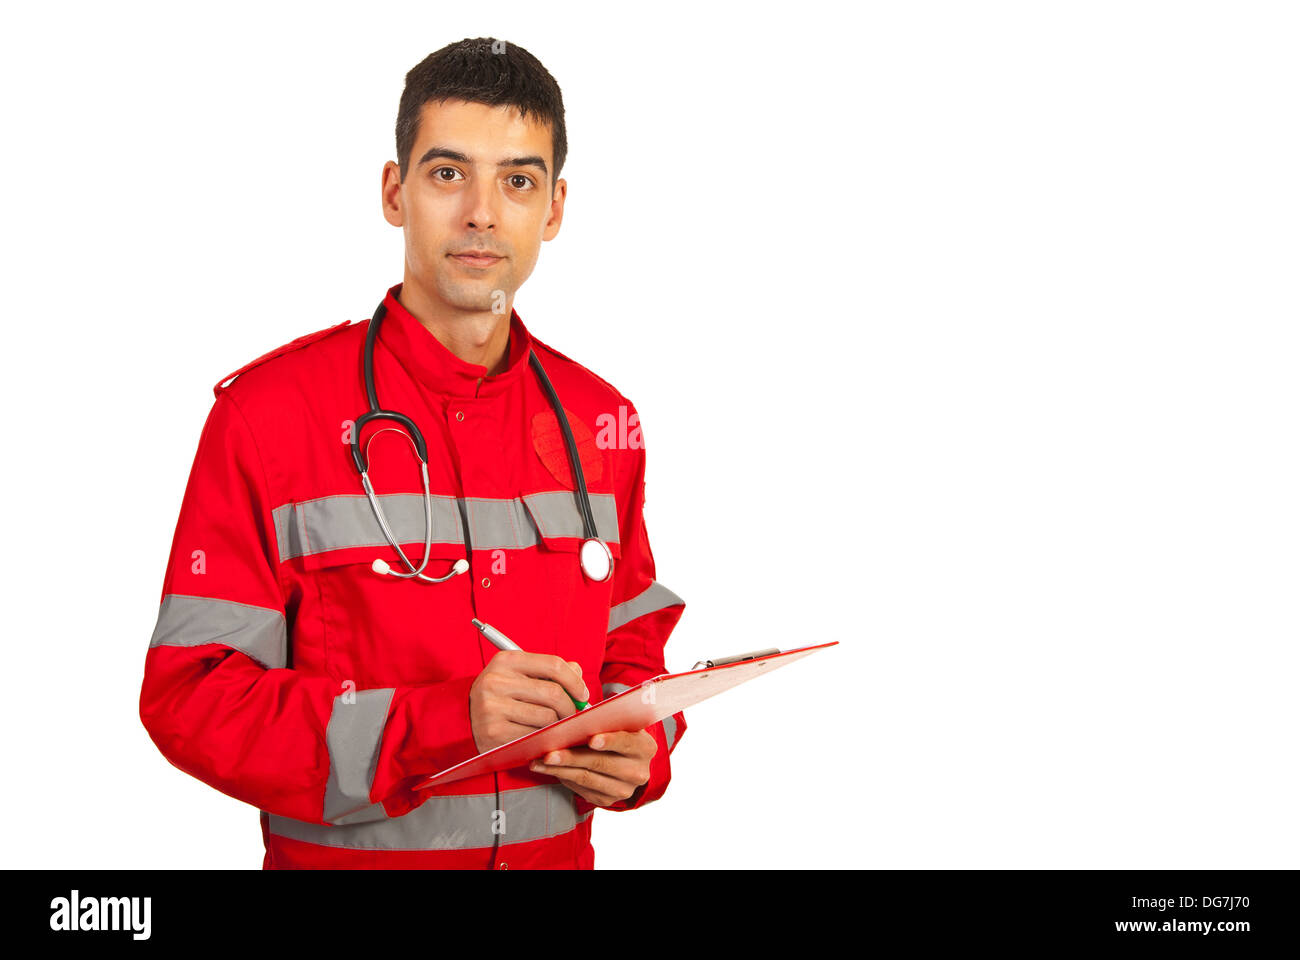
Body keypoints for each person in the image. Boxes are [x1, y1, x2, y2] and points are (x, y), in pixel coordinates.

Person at [138, 37, 687, 870]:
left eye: (517, 181)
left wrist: (642, 749)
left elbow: (634, 650)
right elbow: (193, 700)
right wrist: (440, 721)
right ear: (395, 193)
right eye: (447, 173)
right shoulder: (267, 418)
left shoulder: (600, 421)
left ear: (555, 208)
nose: (481, 213)